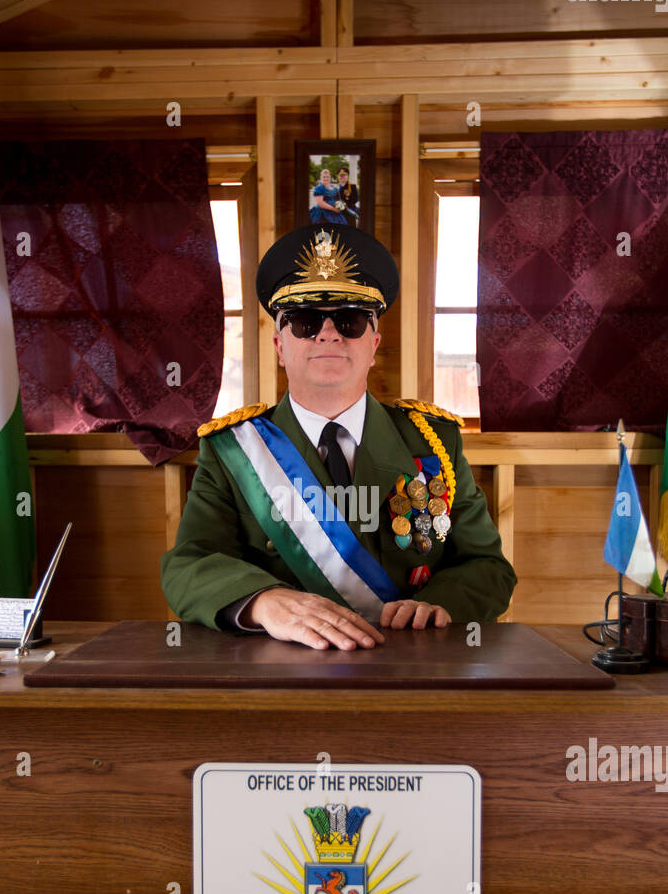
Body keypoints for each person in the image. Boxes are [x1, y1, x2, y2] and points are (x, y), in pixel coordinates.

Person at [161, 225, 516, 649]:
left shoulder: (433, 440)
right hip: (280, 669)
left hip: (410, 659)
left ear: (374, 344)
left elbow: (488, 566)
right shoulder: (230, 451)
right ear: (279, 346)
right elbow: (188, 564)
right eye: (306, 322)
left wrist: (441, 604)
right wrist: (262, 602)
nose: (328, 333)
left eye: (349, 321)